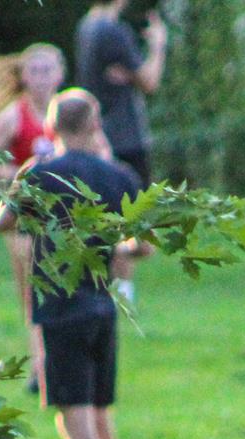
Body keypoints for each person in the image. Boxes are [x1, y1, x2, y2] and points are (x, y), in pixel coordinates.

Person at [0, 90, 149, 439]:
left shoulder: (39, 174)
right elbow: (144, 246)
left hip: (60, 311)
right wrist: (115, 245)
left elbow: (1, 223)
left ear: (52, 128)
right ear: (95, 125)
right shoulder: (117, 176)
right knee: (100, 419)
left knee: (75, 423)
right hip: (103, 307)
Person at [0, 42, 67, 391]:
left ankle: (58, 361)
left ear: (60, 73)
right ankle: (40, 369)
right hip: (25, 216)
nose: (42, 78)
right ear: (24, 76)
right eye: (35, 71)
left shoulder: (69, 110)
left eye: (48, 70)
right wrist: (20, 173)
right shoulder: (15, 115)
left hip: (64, 216)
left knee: (65, 290)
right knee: (33, 293)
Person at [75, 0, 165, 303]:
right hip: (126, 137)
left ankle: (110, 289)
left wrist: (128, 75)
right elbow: (150, 81)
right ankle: (120, 293)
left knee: (113, 219)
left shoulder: (86, 25)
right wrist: (157, 45)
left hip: (100, 136)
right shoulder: (114, 30)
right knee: (137, 226)